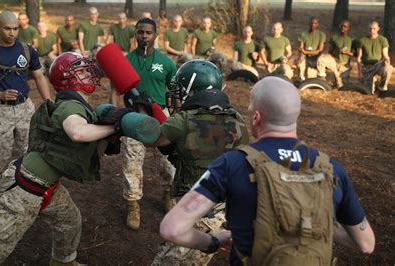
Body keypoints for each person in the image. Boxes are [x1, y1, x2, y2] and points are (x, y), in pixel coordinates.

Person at [159, 76, 376, 265]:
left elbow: (173, 229)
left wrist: (213, 241)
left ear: (257, 118)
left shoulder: (232, 164)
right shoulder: (331, 169)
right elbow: (366, 243)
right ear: (295, 116)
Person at [0, 50, 132, 265]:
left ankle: (62, 262)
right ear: (70, 79)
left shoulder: (75, 104)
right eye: (82, 71)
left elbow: (90, 150)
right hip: (25, 189)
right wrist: (114, 126)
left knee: (69, 221)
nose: (90, 74)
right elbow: (78, 133)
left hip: (45, 185)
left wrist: (111, 134)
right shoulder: (70, 106)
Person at [148, 59, 249, 265]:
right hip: (221, 204)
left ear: (192, 91)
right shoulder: (236, 118)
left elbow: (156, 138)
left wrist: (136, 115)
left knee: (172, 260)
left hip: (196, 203)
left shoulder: (184, 118)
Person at [0, 11, 51, 211]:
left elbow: (39, 77)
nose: (12, 33)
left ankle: (31, 188)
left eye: (15, 29)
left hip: (25, 108)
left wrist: (49, 102)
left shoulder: (27, 50)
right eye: (7, 28)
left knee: (31, 150)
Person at [121, 18, 177, 230]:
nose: (144, 36)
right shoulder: (126, 61)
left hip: (159, 114)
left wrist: (173, 116)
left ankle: (169, 195)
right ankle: (133, 204)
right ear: (135, 34)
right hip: (133, 116)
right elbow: (117, 89)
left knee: (166, 160)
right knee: (132, 161)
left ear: (155, 35)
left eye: (148, 32)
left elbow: (173, 91)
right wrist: (117, 114)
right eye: (140, 32)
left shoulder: (166, 62)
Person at [356, 21, 393, 93]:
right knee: (368, 92)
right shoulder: (362, 40)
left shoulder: (383, 40)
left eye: (374, 29)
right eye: (370, 29)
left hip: (378, 65)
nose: (372, 31)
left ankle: (382, 88)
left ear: (378, 29)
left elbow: (385, 55)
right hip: (367, 67)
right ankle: (373, 82)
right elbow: (359, 57)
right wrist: (359, 72)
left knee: (388, 69)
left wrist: (387, 59)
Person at [317, 20, 354, 88]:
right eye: (341, 26)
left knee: (341, 86)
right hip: (335, 62)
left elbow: (355, 54)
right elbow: (329, 50)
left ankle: (337, 79)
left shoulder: (352, 40)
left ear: (349, 28)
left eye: (345, 26)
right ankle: (322, 77)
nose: (343, 28)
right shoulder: (334, 38)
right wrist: (323, 54)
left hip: (344, 65)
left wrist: (346, 52)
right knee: (321, 59)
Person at [296, 17, 326, 81]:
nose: (313, 25)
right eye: (311, 23)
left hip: (317, 58)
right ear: (309, 24)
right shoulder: (303, 34)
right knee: (300, 62)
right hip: (306, 57)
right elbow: (301, 48)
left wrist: (306, 52)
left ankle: (321, 77)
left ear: (318, 24)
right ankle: (301, 78)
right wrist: (302, 55)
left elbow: (320, 50)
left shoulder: (321, 35)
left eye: (315, 23)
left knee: (322, 60)